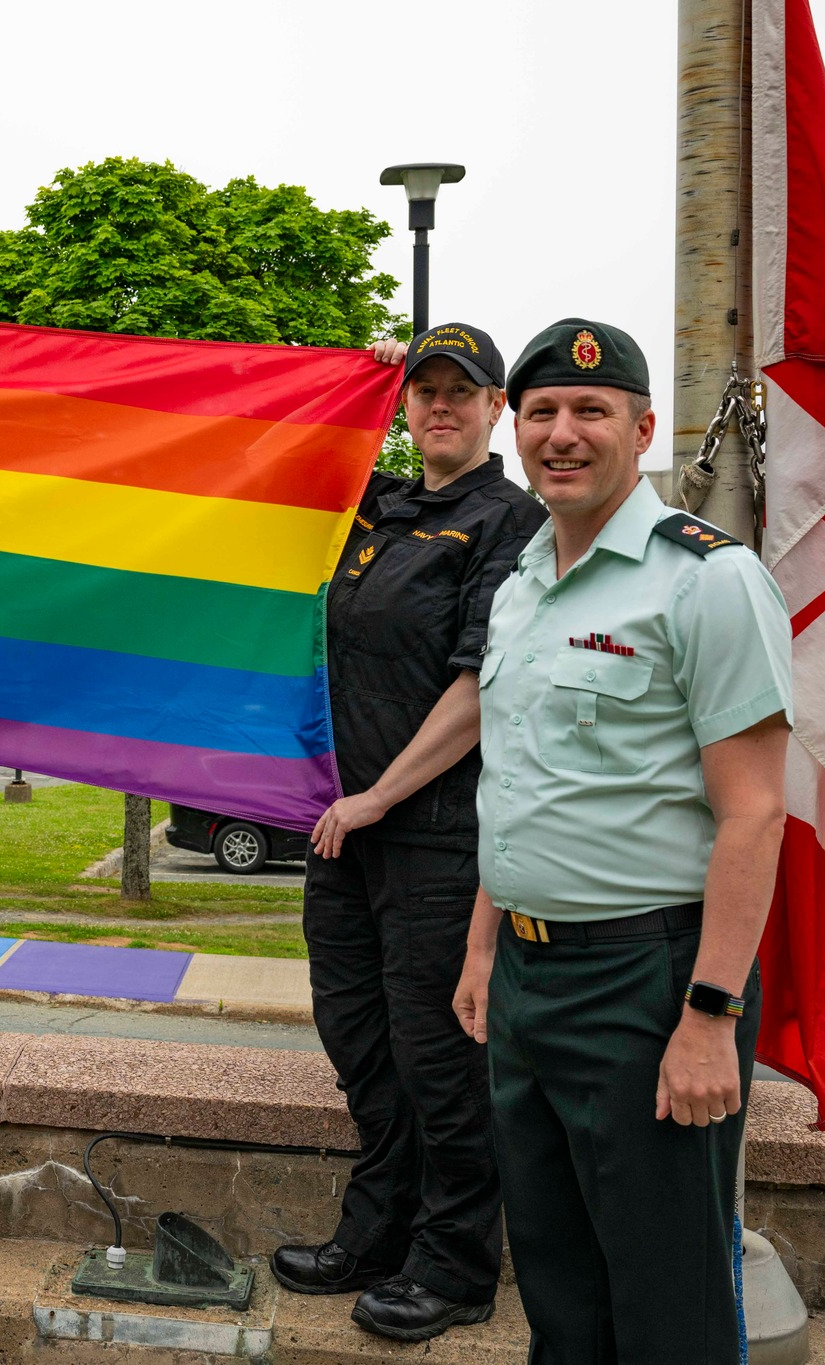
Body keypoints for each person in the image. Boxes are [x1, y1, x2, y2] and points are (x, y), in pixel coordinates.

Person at [453, 319, 792, 1363]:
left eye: (589, 412)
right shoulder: (521, 585)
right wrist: (481, 946)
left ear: (641, 429)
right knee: (556, 1283)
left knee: (666, 1295)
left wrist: (707, 1016)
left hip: (647, 985)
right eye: (541, 411)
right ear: (514, 430)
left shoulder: (703, 580)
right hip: (524, 975)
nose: (562, 432)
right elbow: (513, 782)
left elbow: (753, 810)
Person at [272, 324, 546, 1343]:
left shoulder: (505, 524)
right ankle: (376, 1232)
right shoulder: (373, 507)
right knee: (359, 1044)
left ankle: (455, 1263)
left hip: (430, 833)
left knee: (439, 1059)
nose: (438, 405)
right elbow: (281, 464)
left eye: (459, 391)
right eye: (421, 388)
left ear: (493, 411)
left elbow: (481, 686)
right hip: (337, 831)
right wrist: (340, 369)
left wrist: (381, 794)